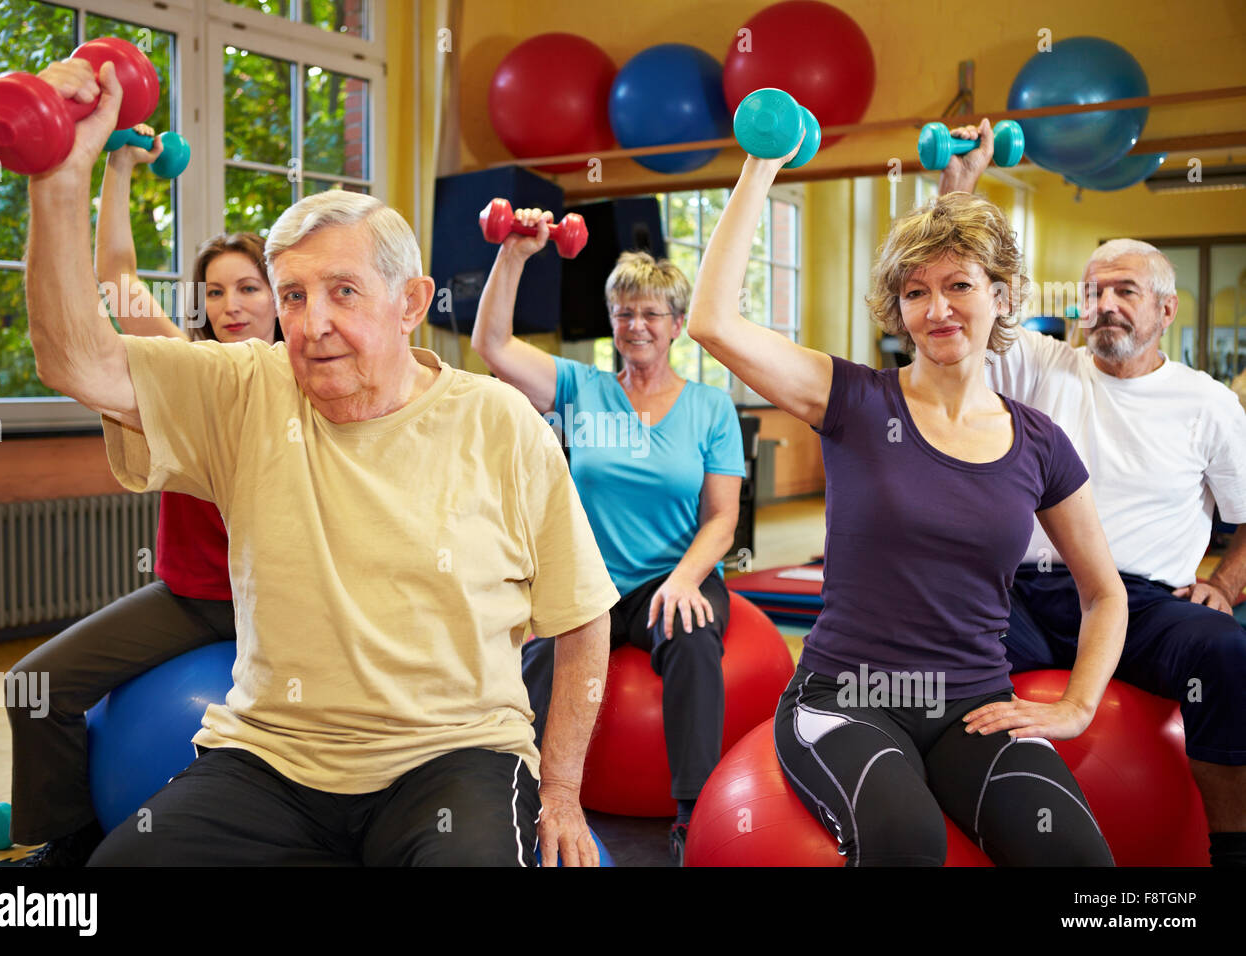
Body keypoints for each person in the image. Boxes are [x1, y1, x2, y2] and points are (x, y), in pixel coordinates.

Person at [23, 55, 618, 867]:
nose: (310, 325)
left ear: (410, 303)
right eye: (294, 295)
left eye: (343, 292)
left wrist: (560, 790)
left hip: (454, 756)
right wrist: (58, 177)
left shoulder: (499, 421)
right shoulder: (247, 387)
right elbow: (76, 363)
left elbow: (582, 621)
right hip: (272, 759)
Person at [687, 139, 1128, 866]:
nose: (938, 309)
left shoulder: (1038, 443)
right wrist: (762, 166)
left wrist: (1077, 705)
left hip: (974, 708)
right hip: (845, 697)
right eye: (916, 292)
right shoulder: (854, 400)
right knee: (906, 842)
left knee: (1078, 859)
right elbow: (712, 323)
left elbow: (1104, 593)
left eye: (959, 285)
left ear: (1002, 297)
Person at [942, 122, 1246, 868]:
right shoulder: (1044, 364)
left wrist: (1223, 584)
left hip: (1140, 606)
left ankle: (1232, 849)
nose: (1104, 304)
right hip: (1023, 593)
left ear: (1164, 311)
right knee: (937, 655)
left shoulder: (1209, 404)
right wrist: (960, 182)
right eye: (1092, 291)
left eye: (1125, 291)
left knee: (1229, 654)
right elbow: (960, 288)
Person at [2, 125, 280, 867]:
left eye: (249, 287)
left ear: (280, 296)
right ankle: (72, 841)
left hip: (284, 607)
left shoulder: (306, 386)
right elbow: (117, 275)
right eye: (215, 290)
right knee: (36, 686)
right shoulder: (188, 372)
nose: (231, 303)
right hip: (190, 598)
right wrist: (119, 166)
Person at [472, 217, 745, 864]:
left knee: (692, 636)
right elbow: (493, 344)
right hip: (590, 580)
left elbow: (722, 520)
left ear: (678, 325)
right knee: (533, 666)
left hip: (673, 573)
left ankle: (691, 812)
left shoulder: (711, 407)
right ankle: (514, 798)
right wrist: (514, 254)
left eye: (652, 313)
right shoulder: (580, 390)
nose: (637, 325)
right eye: (624, 313)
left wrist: (683, 579)